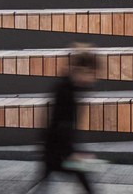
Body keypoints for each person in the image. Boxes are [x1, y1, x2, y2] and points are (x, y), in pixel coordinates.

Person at [38, 47, 99, 192]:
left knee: (45, 184)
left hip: (55, 148)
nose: (94, 78)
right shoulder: (66, 92)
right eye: (92, 73)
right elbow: (62, 125)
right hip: (57, 150)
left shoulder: (68, 88)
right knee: (83, 177)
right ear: (82, 70)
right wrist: (71, 153)